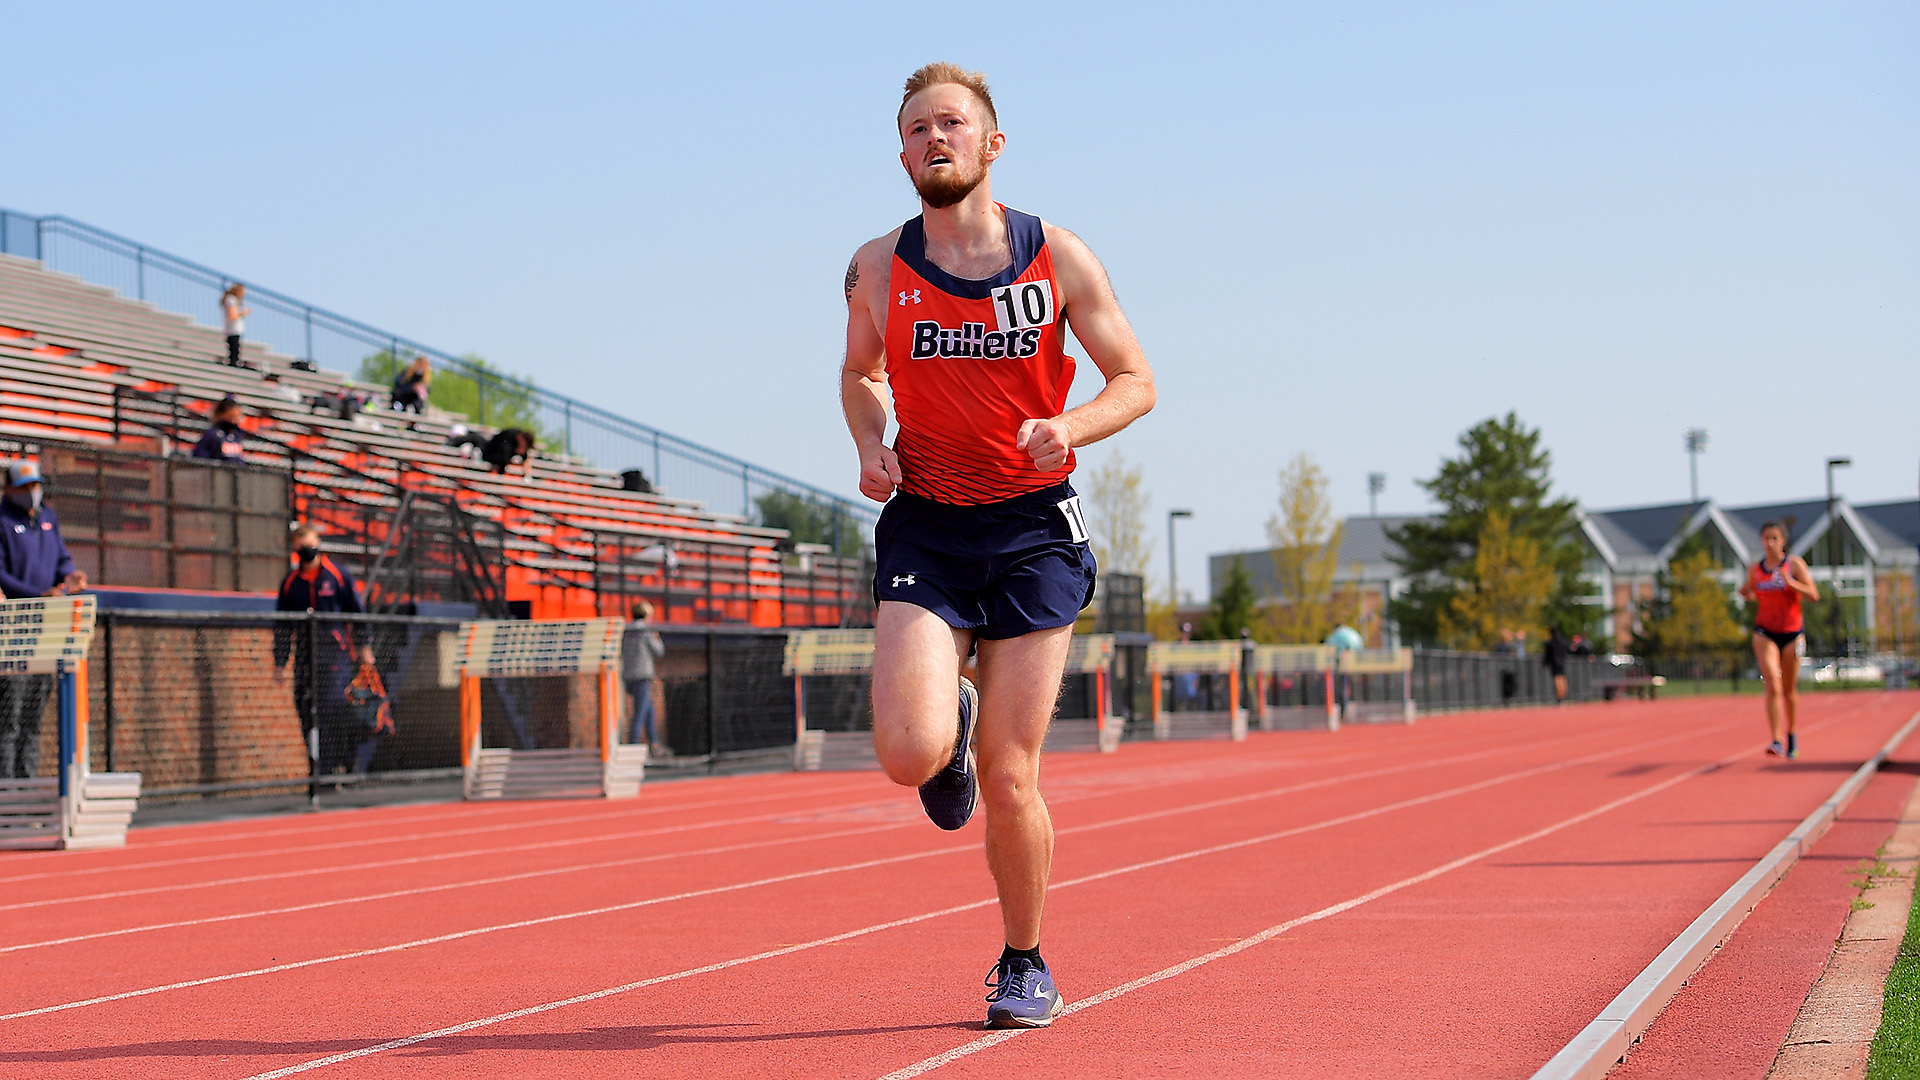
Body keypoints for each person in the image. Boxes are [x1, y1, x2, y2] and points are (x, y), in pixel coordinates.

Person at [839, 63, 1155, 1030]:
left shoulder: (1057, 256)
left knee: (1015, 773)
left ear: (991, 144)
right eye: (915, 128)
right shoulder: (878, 264)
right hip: (929, 522)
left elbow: (1136, 379)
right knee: (906, 754)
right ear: (901, 153)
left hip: (1030, 530)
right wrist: (867, 438)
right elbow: (859, 370)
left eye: (951, 123)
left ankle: (1023, 960)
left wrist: (1074, 425)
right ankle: (947, 730)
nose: (933, 138)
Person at [0, 460, 86, 778]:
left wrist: (69, 574)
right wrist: (39, 594)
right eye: (24, 487)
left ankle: (27, 789)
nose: (32, 492)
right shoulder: (2, 520)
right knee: (10, 716)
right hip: (15, 628)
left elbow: (61, 556)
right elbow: (2, 574)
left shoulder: (48, 516)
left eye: (35, 485)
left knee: (34, 718)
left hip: (46, 629)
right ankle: (7, 794)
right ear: (8, 489)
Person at [271, 525, 377, 775]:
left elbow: (356, 611)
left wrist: (364, 645)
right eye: (301, 547)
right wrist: (280, 661)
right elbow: (283, 625)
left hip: (334, 654)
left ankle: (334, 768)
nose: (306, 551)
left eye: (309, 545)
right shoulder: (290, 583)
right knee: (305, 708)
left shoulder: (337, 575)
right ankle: (317, 768)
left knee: (333, 710)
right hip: (305, 655)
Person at [1737, 520, 1819, 759]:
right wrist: (1747, 593)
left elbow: (1814, 595)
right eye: (1766, 539)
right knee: (1772, 683)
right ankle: (1775, 739)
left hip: (1792, 632)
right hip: (1765, 632)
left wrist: (1790, 583)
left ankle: (1791, 733)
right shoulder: (1756, 568)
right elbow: (1748, 590)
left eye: (1774, 538)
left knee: (1788, 690)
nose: (1770, 543)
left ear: (1783, 541)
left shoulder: (1794, 565)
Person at [622, 601, 665, 749]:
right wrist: (656, 637)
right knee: (640, 711)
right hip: (642, 676)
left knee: (648, 708)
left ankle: (654, 742)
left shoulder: (626, 629)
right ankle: (633, 744)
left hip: (628, 675)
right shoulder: (647, 630)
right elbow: (659, 650)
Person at [190, 396, 247, 461]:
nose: (234, 421)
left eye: (236, 417)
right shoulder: (212, 434)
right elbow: (199, 457)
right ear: (221, 414)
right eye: (231, 416)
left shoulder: (237, 434)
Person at [220, 284, 250, 368]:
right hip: (232, 329)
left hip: (233, 329)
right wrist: (243, 313)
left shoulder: (231, 300)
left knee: (235, 349)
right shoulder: (231, 300)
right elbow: (232, 315)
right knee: (234, 349)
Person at [1543, 627, 1571, 704]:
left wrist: (1545, 663)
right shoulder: (1562, 640)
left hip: (1555, 662)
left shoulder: (1550, 642)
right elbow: (1568, 649)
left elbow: (1547, 654)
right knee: (1562, 678)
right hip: (1562, 661)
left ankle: (1560, 697)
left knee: (1557, 679)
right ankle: (1563, 696)